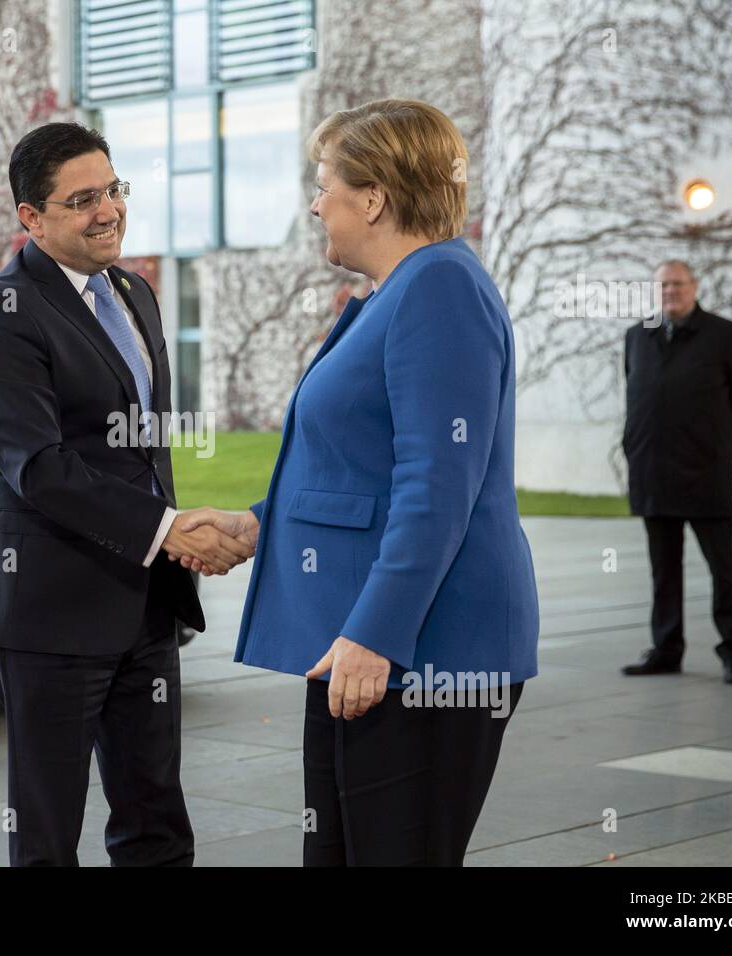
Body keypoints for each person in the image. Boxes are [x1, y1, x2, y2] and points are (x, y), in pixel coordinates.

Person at [179, 100, 539, 866]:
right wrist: (256, 525)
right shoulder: (399, 291)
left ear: (372, 196)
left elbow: (438, 483)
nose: (316, 204)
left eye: (324, 183)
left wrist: (378, 632)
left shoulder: (439, 285)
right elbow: (358, 469)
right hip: (362, 643)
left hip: (421, 650)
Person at [0, 123, 252, 866]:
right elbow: (39, 466)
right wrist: (170, 529)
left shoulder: (132, 291)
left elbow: (144, 446)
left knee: (155, 819)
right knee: (48, 834)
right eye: (82, 199)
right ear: (32, 217)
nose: (108, 211)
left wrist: (170, 539)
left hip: (144, 603)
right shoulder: (1, 316)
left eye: (113, 189)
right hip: (49, 611)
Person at [621, 260, 732, 683]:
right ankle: (666, 650)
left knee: (722, 567)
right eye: (664, 285)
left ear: (695, 287)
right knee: (663, 570)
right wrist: (634, 446)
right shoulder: (637, 336)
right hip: (653, 473)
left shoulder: (725, 336)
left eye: (678, 284)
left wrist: (725, 449)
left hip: (706, 474)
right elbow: (634, 396)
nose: (671, 291)